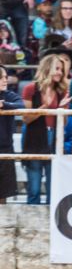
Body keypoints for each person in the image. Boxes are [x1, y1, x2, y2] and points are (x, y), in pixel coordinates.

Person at [21, 55, 71, 203]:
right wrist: (45, 107)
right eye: (57, 69)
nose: (60, 73)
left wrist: (62, 108)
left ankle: (51, 222)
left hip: (54, 137)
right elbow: (26, 119)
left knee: (53, 186)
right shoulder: (31, 88)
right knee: (34, 188)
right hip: (34, 138)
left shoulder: (61, 90)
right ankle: (32, 223)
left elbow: (65, 123)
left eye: (61, 70)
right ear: (47, 68)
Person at [0, 65, 23, 203]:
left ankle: (2, 222)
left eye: (5, 77)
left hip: (5, 148)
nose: (5, 80)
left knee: (3, 192)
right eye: (1, 77)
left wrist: (4, 105)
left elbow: (22, 106)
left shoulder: (10, 96)